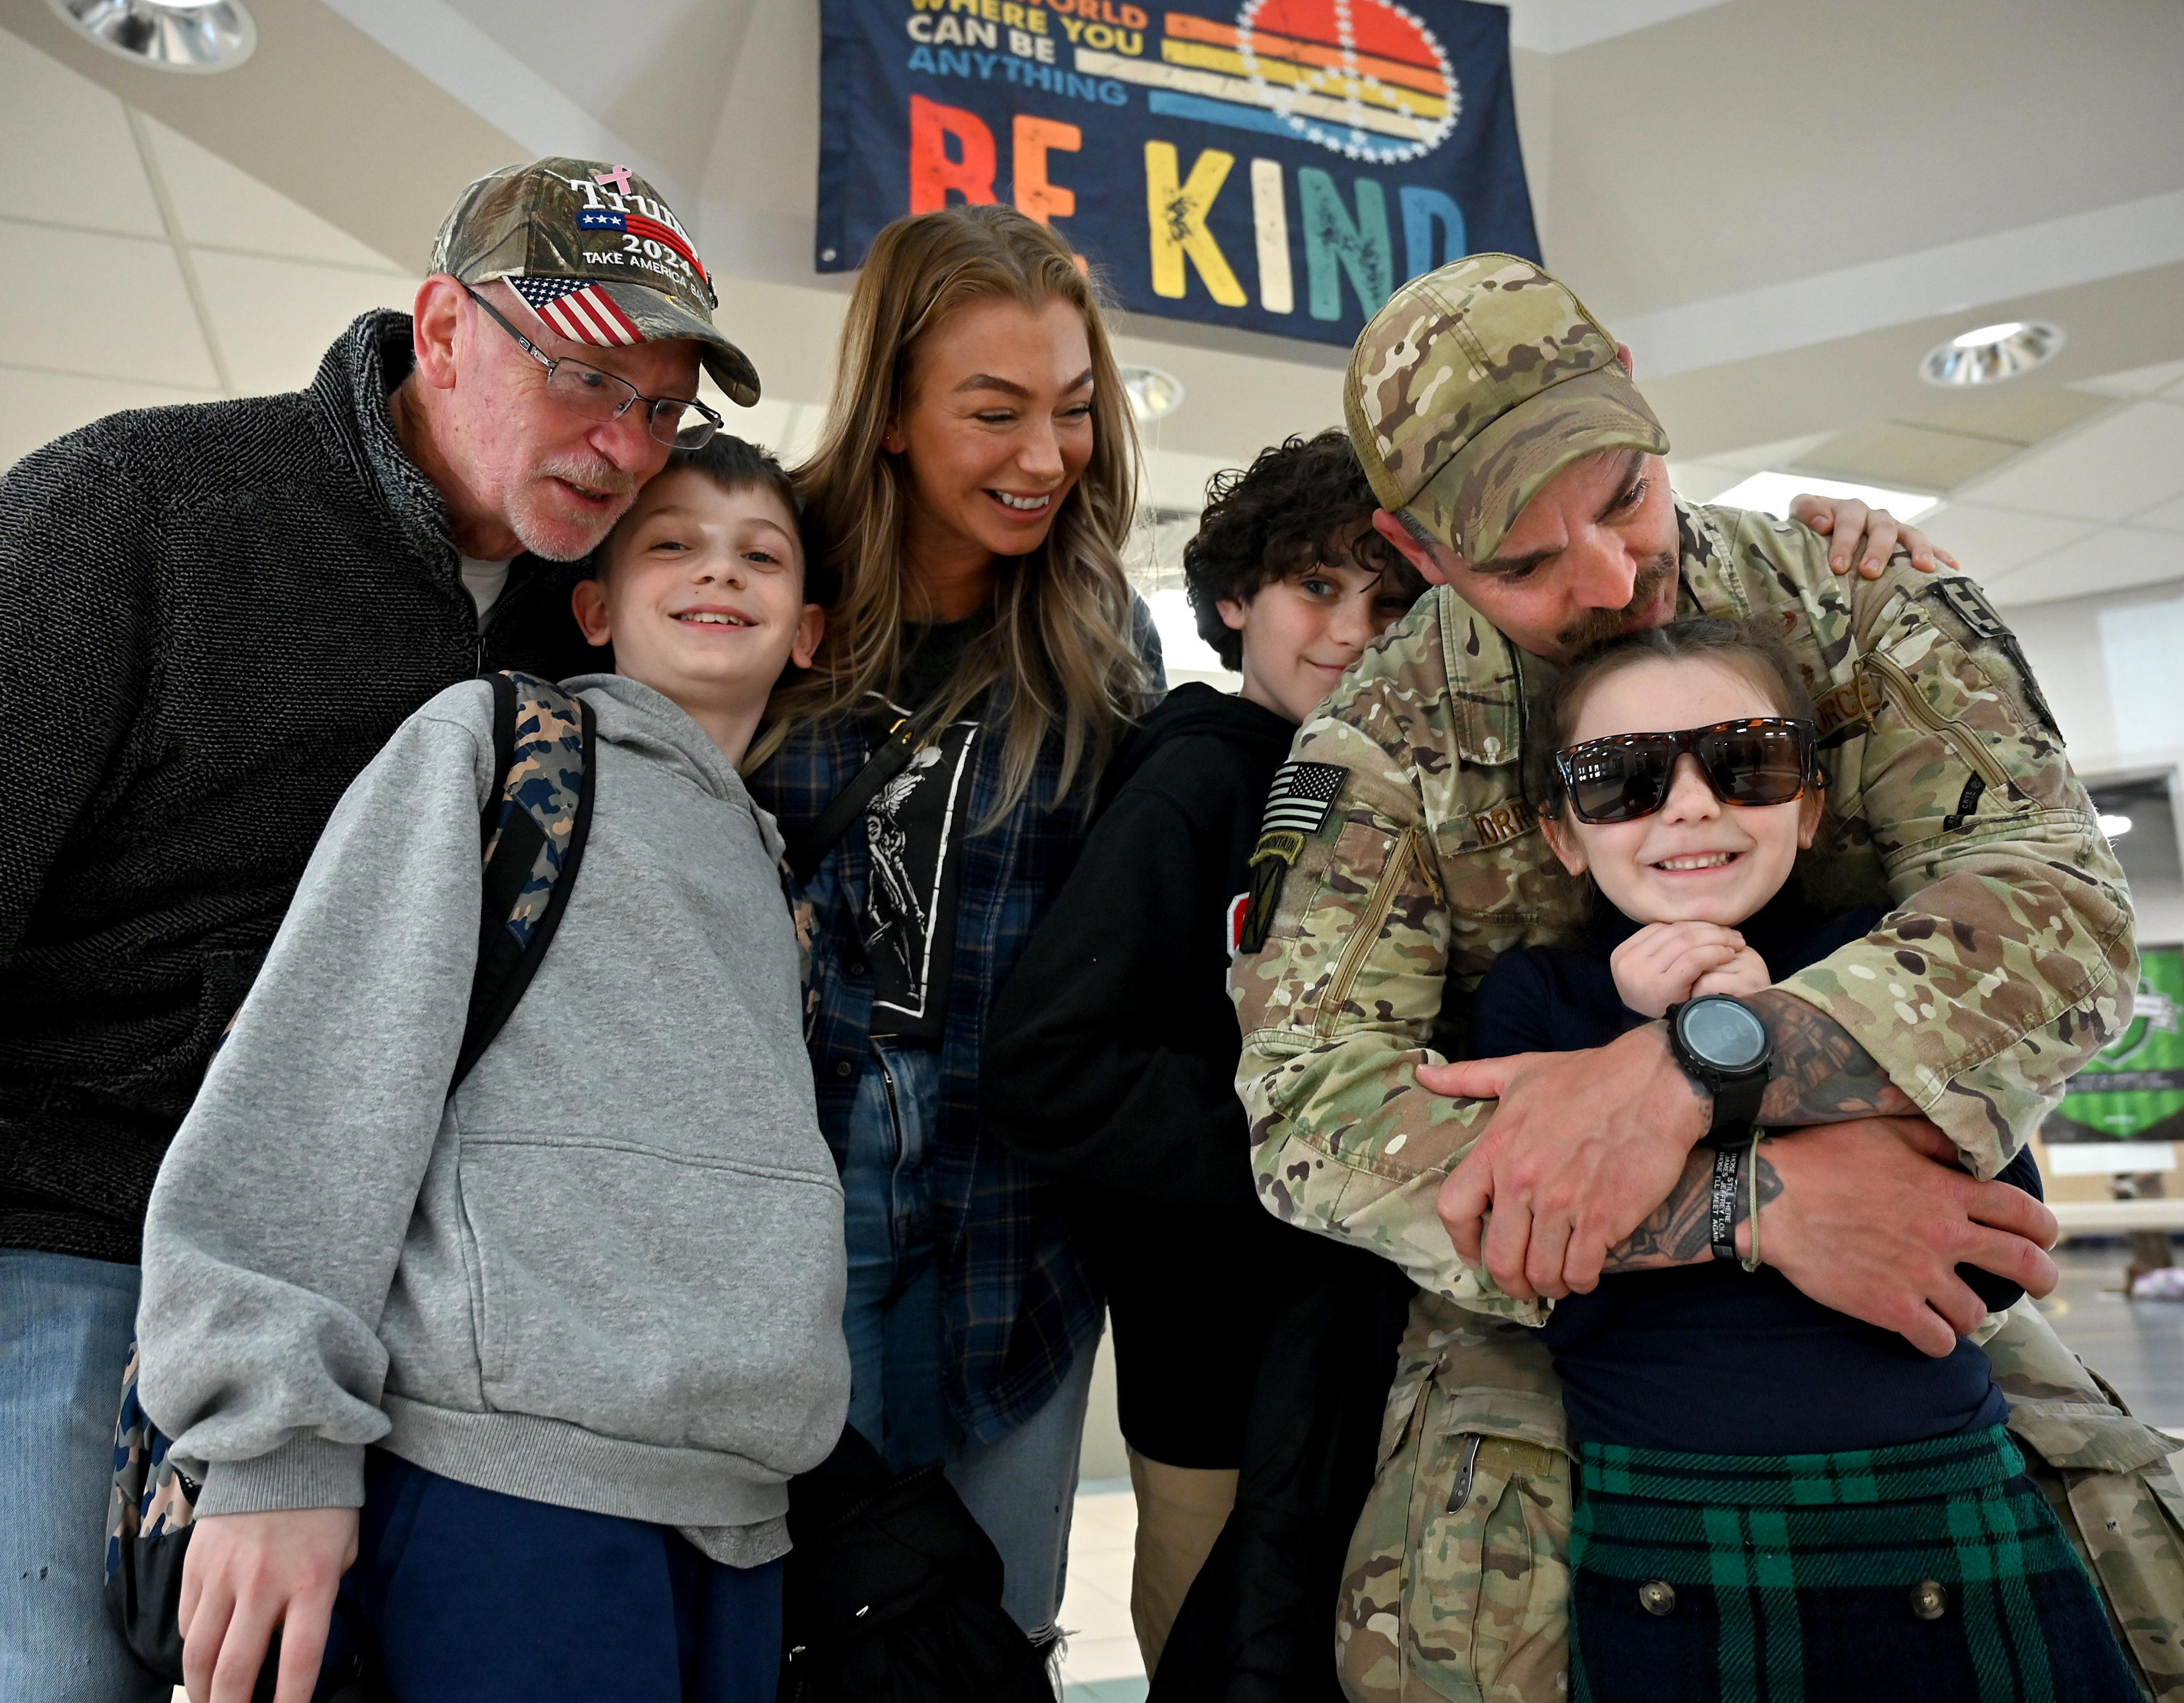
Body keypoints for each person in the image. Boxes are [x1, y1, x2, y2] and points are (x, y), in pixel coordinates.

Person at [1230, 254, 2184, 1701]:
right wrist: (1750, 1204)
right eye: (1525, 563)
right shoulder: (1382, 750)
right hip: (1578, 1339)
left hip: (1905, 1298)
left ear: (1635, 389)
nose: (1611, 580)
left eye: (1624, 496)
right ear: (1416, 549)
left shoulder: (1851, 603)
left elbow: (2059, 912)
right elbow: (1313, 1109)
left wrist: (1698, 1065)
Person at [0, 154, 756, 1702]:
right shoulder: (138, 504)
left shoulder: (584, 618)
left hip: (415, 1323)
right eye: (585, 377)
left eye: (662, 408)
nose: (625, 446)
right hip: (82, 1246)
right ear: (445, 328)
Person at [134, 438, 847, 1703]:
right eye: (672, 543)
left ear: (808, 631)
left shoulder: (775, 872)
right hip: (496, 1483)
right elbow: (324, 1075)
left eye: (761, 554)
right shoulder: (504, 746)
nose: (719, 572)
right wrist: (276, 1444)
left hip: (734, 1512)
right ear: (594, 606)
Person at [1469, 617, 2133, 1701]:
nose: (1690, 803)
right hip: (1664, 1529)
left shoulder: (1885, 960)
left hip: (1947, 1495)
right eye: (1621, 777)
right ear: (1563, 833)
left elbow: (1991, 1250)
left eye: (1747, 761)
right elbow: (1537, 1264)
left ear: (1811, 805)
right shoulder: (1538, 1000)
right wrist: (1668, 1043)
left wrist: (1761, 1033)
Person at [745, 202, 1161, 1644]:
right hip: (778, 1228)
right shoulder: (754, 570)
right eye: (995, 412)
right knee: (793, 1639)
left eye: (1074, 409)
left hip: (1015, 1236)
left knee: (990, 1640)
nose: (1045, 456)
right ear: (892, 414)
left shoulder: (1099, 631)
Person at [982, 430, 1427, 1675]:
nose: (1352, 631)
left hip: (1363, 1356)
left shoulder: (1390, 788)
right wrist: (1309, 1141)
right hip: (1214, 1365)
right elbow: (1050, 1062)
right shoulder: (1194, 783)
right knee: (1219, 1658)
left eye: (1390, 602)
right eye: (1316, 587)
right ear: (1236, 599)